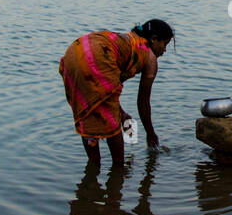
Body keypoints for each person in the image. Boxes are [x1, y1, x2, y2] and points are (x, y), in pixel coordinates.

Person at [58, 19, 173, 165]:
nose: (164, 50)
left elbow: (104, 93)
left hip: (74, 52)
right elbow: (143, 103)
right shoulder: (149, 57)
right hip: (98, 55)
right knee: (112, 123)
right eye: (165, 44)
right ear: (154, 39)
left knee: (89, 110)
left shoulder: (129, 41)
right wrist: (150, 133)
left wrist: (122, 114)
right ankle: (118, 170)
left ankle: (93, 168)